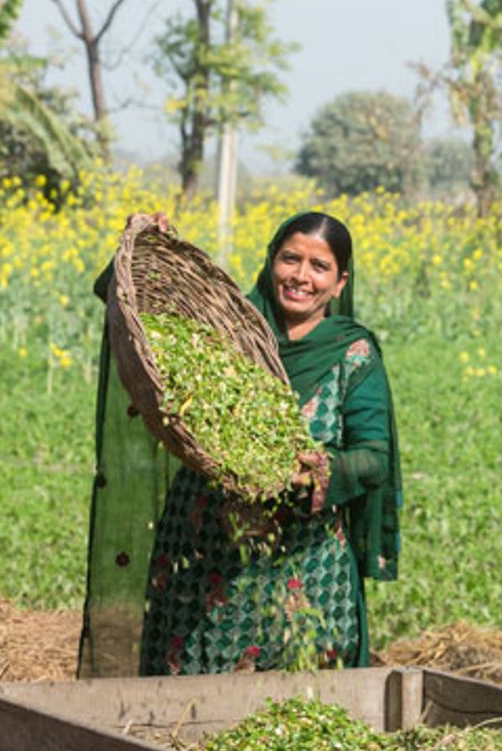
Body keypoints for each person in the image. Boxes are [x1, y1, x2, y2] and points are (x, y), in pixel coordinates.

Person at [77, 211, 401, 677]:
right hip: (204, 556)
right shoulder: (225, 334)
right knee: (191, 694)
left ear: (340, 281)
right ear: (272, 260)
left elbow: (374, 458)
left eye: (318, 267)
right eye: (290, 259)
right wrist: (145, 248)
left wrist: (318, 470)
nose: (301, 277)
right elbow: (126, 304)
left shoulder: (354, 354)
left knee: (300, 702)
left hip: (306, 569)